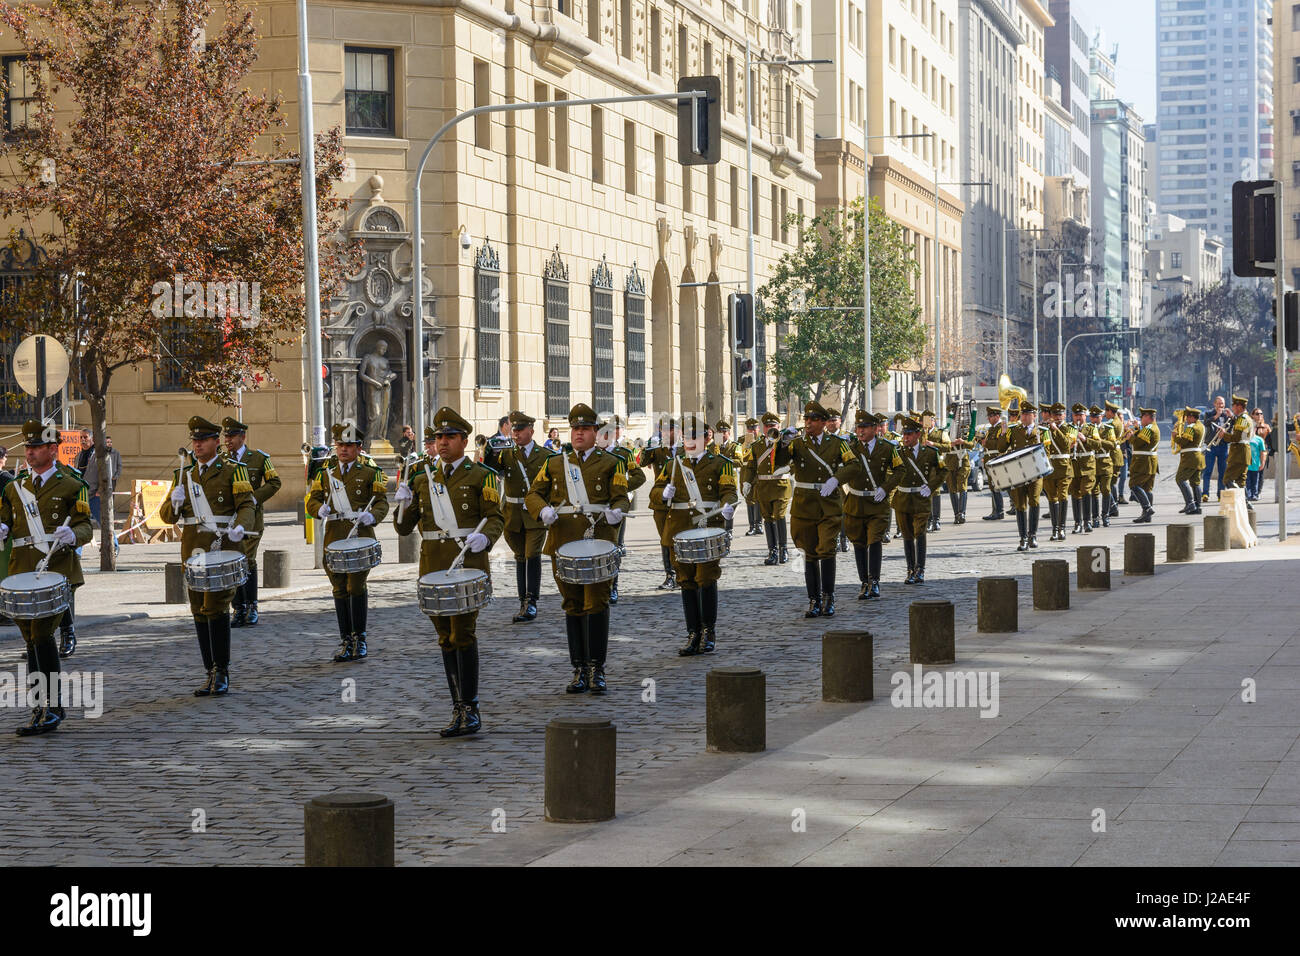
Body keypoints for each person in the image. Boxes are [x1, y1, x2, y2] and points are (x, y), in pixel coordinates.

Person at [393, 407, 503, 737]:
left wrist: (486, 537)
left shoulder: (480, 475)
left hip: (467, 564)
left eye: (449, 437)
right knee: (444, 636)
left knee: (463, 634)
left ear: (464, 441)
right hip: (434, 566)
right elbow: (403, 528)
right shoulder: (422, 476)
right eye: (438, 437)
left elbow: (496, 516)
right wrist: (402, 501)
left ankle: (470, 708)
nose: (441, 443)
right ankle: (457, 706)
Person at [526, 403, 630, 693]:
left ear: (596, 433)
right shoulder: (555, 463)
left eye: (584, 429)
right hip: (564, 542)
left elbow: (622, 497)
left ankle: (597, 668)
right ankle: (579, 669)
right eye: (575, 429)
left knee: (596, 603)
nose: (579, 433)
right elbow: (533, 493)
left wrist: (617, 511)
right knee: (572, 604)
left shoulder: (611, 463)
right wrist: (542, 510)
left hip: (597, 540)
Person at [0, 422, 93, 735]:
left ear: (52, 450)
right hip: (23, 572)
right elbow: (7, 521)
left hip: (56, 571)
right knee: (30, 639)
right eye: (27, 447)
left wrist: (72, 535)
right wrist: (3, 529)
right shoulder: (15, 488)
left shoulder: (72, 484)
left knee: (41, 635)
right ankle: (39, 708)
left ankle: (52, 707)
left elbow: (85, 526)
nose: (29, 452)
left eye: (36, 447)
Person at [159, 416, 256, 697]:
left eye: (203, 440)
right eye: (195, 441)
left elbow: (247, 504)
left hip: (221, 546)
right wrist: (174, 503)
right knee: (199, 609)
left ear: (216, 442)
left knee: (216, 607)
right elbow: (167, 517)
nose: (197, 445)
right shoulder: (183, 474)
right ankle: (209, 670)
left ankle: (221, 669)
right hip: (193, 550)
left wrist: (242, 526)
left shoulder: (232, 470)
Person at [649, 413, 738, 656]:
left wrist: (730, 506)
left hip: (706, 529)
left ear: (706, 439)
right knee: (686, 581)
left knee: (706, 579)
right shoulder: (672, 465)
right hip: (679, 530)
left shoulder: (721, 464)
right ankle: (693, 633)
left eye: (694, 436)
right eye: (686, 436)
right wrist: (662, 494)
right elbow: (654, 493)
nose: (689, 441)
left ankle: (708, 632)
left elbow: (729, 491)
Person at [305, 420, 390, 663]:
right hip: (334, 536)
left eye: (349, 445)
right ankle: (346, 639)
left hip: (359, 536)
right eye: (340, 444)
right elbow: (313, 499)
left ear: (358, 447)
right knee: (339, 588)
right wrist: (317, 508)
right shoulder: (326, 472)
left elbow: (382, 502)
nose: (343, 450)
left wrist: (372, 516)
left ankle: (360, 638)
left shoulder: (370, 472)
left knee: (356, 586)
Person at [772, 401, 863, 618]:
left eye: (813, 420)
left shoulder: (837, 443)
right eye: (806, 419)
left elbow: (854, 465)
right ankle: (814, 599)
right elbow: (779, 463)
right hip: (804, 505)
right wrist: (783, 443)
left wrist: (836, 479)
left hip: (828, 503)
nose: (809, 423)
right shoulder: (798, 443)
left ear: (823, 423)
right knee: (809, 553)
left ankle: (829, 597)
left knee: (827, 549)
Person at [482, 410, 552, 622]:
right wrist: (490, 451)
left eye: (520, 430)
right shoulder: (506, 453)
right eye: (514, 430)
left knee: (533, 555)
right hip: (512, 515)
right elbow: (489, 470)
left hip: (535, 514)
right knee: (520, 557)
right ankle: (523, 601)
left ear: (531, 430)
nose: (516, 433)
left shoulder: (545, 455)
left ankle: (532, 601)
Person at [222, 417, 281, 627]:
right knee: (233, 561)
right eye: (225, 436)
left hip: (252, 520)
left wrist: (254, 497)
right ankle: (238, 609)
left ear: (242, 437)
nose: (227, 440)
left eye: (231, 436)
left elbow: (275, 482)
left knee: (247, 560)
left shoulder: (258, 458)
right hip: (229, 519)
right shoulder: (222, 459)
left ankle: (252, 606)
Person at [884, 415, 944, 584]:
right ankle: (910, 569)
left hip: (921, 498)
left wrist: (931, 486)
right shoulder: (898, 453)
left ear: (918, 435)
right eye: (904, 435)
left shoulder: (931, 453)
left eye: (909, 434)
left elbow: (943, 471)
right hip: (903, 499)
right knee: (908, 536)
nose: (906, 438)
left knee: (920, 533)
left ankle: (920, 570)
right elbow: (890, 471)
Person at [843, 411, 895, 599]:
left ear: (874, 429)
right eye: (858, 427)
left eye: (864, 427)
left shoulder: (887, 448)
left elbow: (900, 470)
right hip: (856, 502)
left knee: (874, 541)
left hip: (877, 503)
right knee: (858, 543)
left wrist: (886, 487)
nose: (860, 431)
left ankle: (875, 582)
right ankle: (864, 581)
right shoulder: (850, 448)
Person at [597, 415, 647, 604]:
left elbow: (639, 477)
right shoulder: (591, 454)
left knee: (614, 548)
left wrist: (621, 487)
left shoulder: (623, 454)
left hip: (615, 506)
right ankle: (599, 584)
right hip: (595, 509)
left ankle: (613, 586)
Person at [743, 411, 793, 566]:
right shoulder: (757, 446)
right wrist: (747, 482)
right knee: (768, 518)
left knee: (779, 515)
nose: (770, 428)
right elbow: (751, 466)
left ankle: (783, 548)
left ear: (778, 426)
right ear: (763, 428)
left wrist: (787, 468)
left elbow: (795, 460)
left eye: (773, 425)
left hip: (780, 487)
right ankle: (772, 551)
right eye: (767, 426)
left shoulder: (785, 443)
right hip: (763, 487)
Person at [641, 418, 680, 588]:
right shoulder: (657, 450)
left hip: (681, 500)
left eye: (669, 430)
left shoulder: (685, 449)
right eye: (662, 430)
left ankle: (682, 572)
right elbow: (642, 462)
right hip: (661, 501)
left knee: (679, 539)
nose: (665, 433)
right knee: (665, 539)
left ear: (677, 431)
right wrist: (648, 445)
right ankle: (670, 575)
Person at [1005, 400, 1045, 551]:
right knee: (1020, 504)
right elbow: (1002, 447)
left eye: (1028, 414)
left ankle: (1032, 535)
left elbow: (1046, 451)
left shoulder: (1042, 431)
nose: (1024, 417)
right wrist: (1003, 433)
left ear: (1034, 416)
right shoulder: (1014, 430)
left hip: (1035, 472)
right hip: (1018, 472)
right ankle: (1022, 538)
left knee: (1034, 501)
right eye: (1023, 414)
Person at [1040, 403, 1074, 541]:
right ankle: (1054, 530)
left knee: (1063, 496)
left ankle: (1062, 528)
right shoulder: (1045, 430)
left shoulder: (1071, 428)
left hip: (1064, 468)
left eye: (1060, 415)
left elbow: (1067, 444)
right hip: (1050, 468)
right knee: (1052, 498)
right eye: (1055, 415)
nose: (1058, 417)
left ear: (1064, 415)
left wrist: (1055, 429)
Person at [1216, 394, 1253, 509]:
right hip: (1243, 452)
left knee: (1227, 479)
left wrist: (1223, 435)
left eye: (1234, 405)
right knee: (1240, 482)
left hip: (1239, 453)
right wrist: (1232, 418)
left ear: (1239, 406)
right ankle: (1245, 506)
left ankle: (1245, 501)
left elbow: (1236, 437)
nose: (1232, 407)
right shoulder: (1245, 418)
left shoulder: (1242, 419)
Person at [1068, 403, 1100, 534]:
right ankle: (1077, 523)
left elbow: (1098, 444)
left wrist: (1085, 439)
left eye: (1081, 415)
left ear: (1085, 416)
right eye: (1076, 415)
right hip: (1074, 466)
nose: (1078, 418)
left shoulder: (1091, 428)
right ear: (1072, 416)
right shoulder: (1069, 428)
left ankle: (1087, 521)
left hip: (1088, 466)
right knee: (1075, 493)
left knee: (1086, 490)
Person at [919, 409, 951, 531]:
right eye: (924, 421)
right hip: (923, 465)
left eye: (929, 420)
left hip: (936, 465)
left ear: (933, 421)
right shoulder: (920, 434)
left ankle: (936, 520)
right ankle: (928, 520)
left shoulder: (940, 433)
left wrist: (934, 444)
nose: (926, 423)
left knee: (935, 492)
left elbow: (948, 447)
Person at [1127, 408, 1161, 523]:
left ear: (1147, 417)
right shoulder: (1151, 428)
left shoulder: (1149, 428)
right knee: (1147, 489)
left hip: (1144, 463)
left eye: (1142, 417)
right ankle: (1147, 515)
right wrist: (1136, 429)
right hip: (1150, 462)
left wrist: (1130, 436)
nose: (1141, 419)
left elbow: (1138, 443)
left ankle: (1147, 508)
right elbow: (1142, 439)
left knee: (1134, 484)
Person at [942, 403, 973, 525]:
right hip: (950, 461)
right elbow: (941, 444)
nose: (955, 415)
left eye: (956, 412)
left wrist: (963, 441)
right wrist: (950, 444)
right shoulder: (946, 429)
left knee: (962, 486)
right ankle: (956, 514)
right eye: (953, 413)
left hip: (962, 460)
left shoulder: (965, 427)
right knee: (952, 489)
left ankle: (962, 513)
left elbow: (972, 444)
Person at [1172, 407, 1206, 515]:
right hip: (1197, 457)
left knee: (1180, 479)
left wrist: (1175, 436)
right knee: (1195, 483)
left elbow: (1184, 442)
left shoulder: (1192, 427)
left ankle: (1190, 503)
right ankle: (1197, 506)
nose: (1186, 419)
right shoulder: (1200, 426)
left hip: (1190, 458)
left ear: (1192, 417)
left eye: (1187, 417)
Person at [82, 435, 122, 525]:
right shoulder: (92, 454)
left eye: (86, 438)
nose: (83, 441)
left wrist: (100, 490)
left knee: (104, 523)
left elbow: (105, 475)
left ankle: (112, 540)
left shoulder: (104, 456)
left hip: (95, 494)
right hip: (88, 492)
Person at [1089, 406, 1116, 528]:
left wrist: (1099, 441)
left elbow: (1112, 445)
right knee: (1094, 491)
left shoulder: (1108, 428)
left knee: (1106, 489)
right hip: (1092, 464)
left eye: (1097, 417)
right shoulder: (1087, 429)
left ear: (1102, 417)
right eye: (1093, 417)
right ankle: (1095, 517)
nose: (1095, 419)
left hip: (1105, 463)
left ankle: (1105, 515)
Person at [1201, 395, 1231, 502]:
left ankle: (1220, 493)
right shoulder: (1209, 413)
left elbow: (1231, 427)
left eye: (1222, 404)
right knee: (1207, 470)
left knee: (1222, 471)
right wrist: (1216, 416)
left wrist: (1230, 417)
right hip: (1211, 445)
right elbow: (1206, 423)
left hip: (1222, 446)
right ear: (1214, 404)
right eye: (1218, 403)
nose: (1220, 406)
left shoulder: (1227, 415)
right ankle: (1205, 493)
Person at [980, 406, 1008, 520]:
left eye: (991, 416)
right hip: (989, 459)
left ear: (997, 416)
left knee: (996, 486)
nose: (989, 418)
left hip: (995, 458)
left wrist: (986, 443)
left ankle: (999, 511)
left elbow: (999, 444)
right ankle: (995, 511)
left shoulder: (1000, 428)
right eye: (989, 416)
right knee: (992, 486)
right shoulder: (991, 429)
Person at [740, 418, 763, 536]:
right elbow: (740, 457)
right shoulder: (741, 440)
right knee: (749, 500)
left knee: (758, 499)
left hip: (758, 474)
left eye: (754, 428)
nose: (752, 431)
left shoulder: (762, 440)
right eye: (750, 429)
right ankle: (752, 526)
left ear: (758, 428)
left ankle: (759, 524)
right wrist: (746, 445)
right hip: (746, 474)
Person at [1246, 426, 1267, 502]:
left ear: (1255, 429)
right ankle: (1248, 495)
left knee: (1255, 481)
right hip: (1247, 465)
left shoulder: (1259, 439)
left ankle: (1254, 494)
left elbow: (1263, 452)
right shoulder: (1245, 439)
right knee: (1247, 481)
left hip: (1256, 464)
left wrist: (1262, 463)